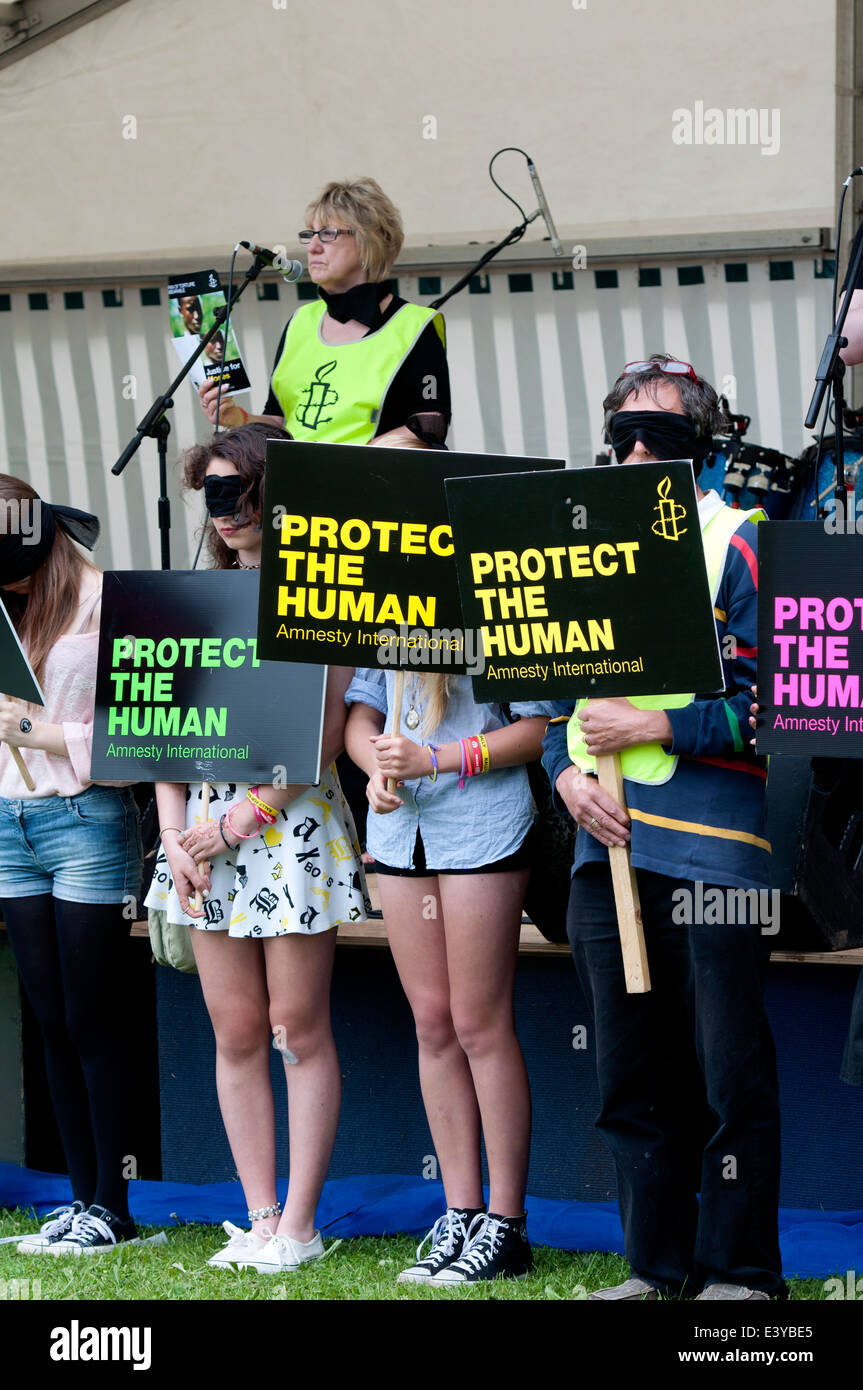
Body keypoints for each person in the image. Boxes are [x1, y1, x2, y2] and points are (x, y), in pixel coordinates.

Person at [542, 355, 785, 1301]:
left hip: (717, 844)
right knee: (629, 1073)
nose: (639, 450)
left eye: (664, 435)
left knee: (728, 1070)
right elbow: (551, 690)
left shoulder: (747, 542)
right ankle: (655, 1271)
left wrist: (657, 725)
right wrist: (564, 775)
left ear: (707, 445)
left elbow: (787, 708)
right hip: (603, 847)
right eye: (623, 434)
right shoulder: (575, 546)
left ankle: (743, 1277)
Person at [143, 423, 369, 1275]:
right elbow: (153, 730)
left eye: (242, 490)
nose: (227, 511)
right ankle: (261, 1215)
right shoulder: (191, 597)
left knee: (295, 1028)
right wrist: (176, 838)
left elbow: (318, 735)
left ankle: (301, 1224)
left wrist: (237, 820)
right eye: (215, 492)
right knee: (234, 1030)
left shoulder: (323, 593)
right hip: (199, 832)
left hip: (288, 829)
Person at [344, 669, 555, 1284]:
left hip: (482, 822)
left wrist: (436, 758)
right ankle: (459, 1211)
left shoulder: (499, 582)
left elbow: (539, 729)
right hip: (399, 829)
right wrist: (375, 766)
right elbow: (362, 716)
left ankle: (505, 1224)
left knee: (478, 1024)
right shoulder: (385, 594)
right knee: (433, 1024)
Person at [0, 477, 144, 1255]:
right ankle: (80, 1195)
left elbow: (141, 737)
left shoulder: (102, 602)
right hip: (7, 821)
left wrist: (40, 731)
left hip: (84, 816)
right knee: (50, 1019)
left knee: (94, 1020)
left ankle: (113, 1207)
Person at [198, 177, 450, 449]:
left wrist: (355, 460)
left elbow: (430, 427)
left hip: (373, 483)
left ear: (370, 241)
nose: (312, 247)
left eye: (328, 234)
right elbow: (280, 421)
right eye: (309, 234)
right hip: (297, 481)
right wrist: (239, 418)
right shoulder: (300, 320)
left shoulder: (415, 325)